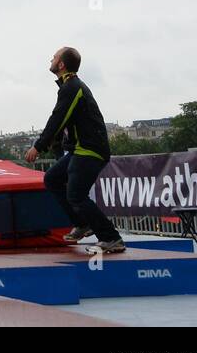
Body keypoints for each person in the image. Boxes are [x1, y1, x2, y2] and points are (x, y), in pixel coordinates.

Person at [24, 46, 125, 253]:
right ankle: (82, 224)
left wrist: (38, 146)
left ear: (61, 64)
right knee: (52, 179)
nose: (50, 59)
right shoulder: (68, 87)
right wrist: (56, 148)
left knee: (76, 195)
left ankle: (111, 237)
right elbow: (64, 123)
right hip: (80, 150)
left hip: (90, 150)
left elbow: (58, 119)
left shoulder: (72, 87)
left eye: (53, 57)